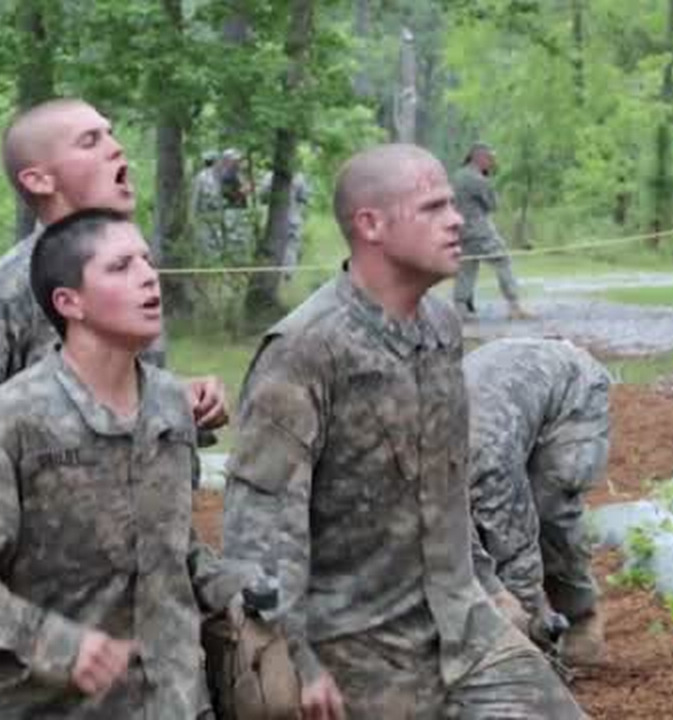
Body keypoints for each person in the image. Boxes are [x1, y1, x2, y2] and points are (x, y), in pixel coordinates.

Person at [223, 143, 584, 718]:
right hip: (354, 647)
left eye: (452, 204)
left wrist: (490, 587)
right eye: (434, 207)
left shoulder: (441, 326)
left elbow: (444, 485)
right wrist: (294, 661)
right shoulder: (304, 352)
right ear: (371, 225)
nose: (457, 219)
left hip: (461, 625)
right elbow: (260, 529)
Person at [0, 209, 250, 718]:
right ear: (69, 302)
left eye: (147, 261)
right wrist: (56, 646)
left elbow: (171, 549)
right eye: (121, 266)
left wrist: (244, 594)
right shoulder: (7, 422)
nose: (148, 276)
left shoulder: (170, 406)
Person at [0, 98, 227, 461]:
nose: (116, 148)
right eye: (90, 141)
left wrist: (176, 398)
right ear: (39, 180)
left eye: (110, 135)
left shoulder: (134, 270)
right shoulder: (0, 295)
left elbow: (127, 399)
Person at [465, 337, 611, 666]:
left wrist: (529, 625)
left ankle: (577, 623)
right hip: (507, 392)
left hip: (572, 387)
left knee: (551, 510)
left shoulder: (484, 461)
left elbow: (515, 549)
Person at [451, 142, 528, 321]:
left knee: (467, 266)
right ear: (479, 158)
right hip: (479, 229)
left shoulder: (458, 176)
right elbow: (493, 205)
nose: (492, 163)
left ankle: (461, 309)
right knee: (502, 260)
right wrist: (488, 181)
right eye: (490, 159)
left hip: (459, 228)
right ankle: (514, 305)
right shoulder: (477, 179)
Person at [190, 147, 250, 263]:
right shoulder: (201, 177)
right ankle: (209, 266)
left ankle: (221, 265)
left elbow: (223, 198)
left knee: (219, 244)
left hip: (217, 216)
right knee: (206, 244)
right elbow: (195, 199)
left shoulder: (219, 176)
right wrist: (193, 217)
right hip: (205, 217)